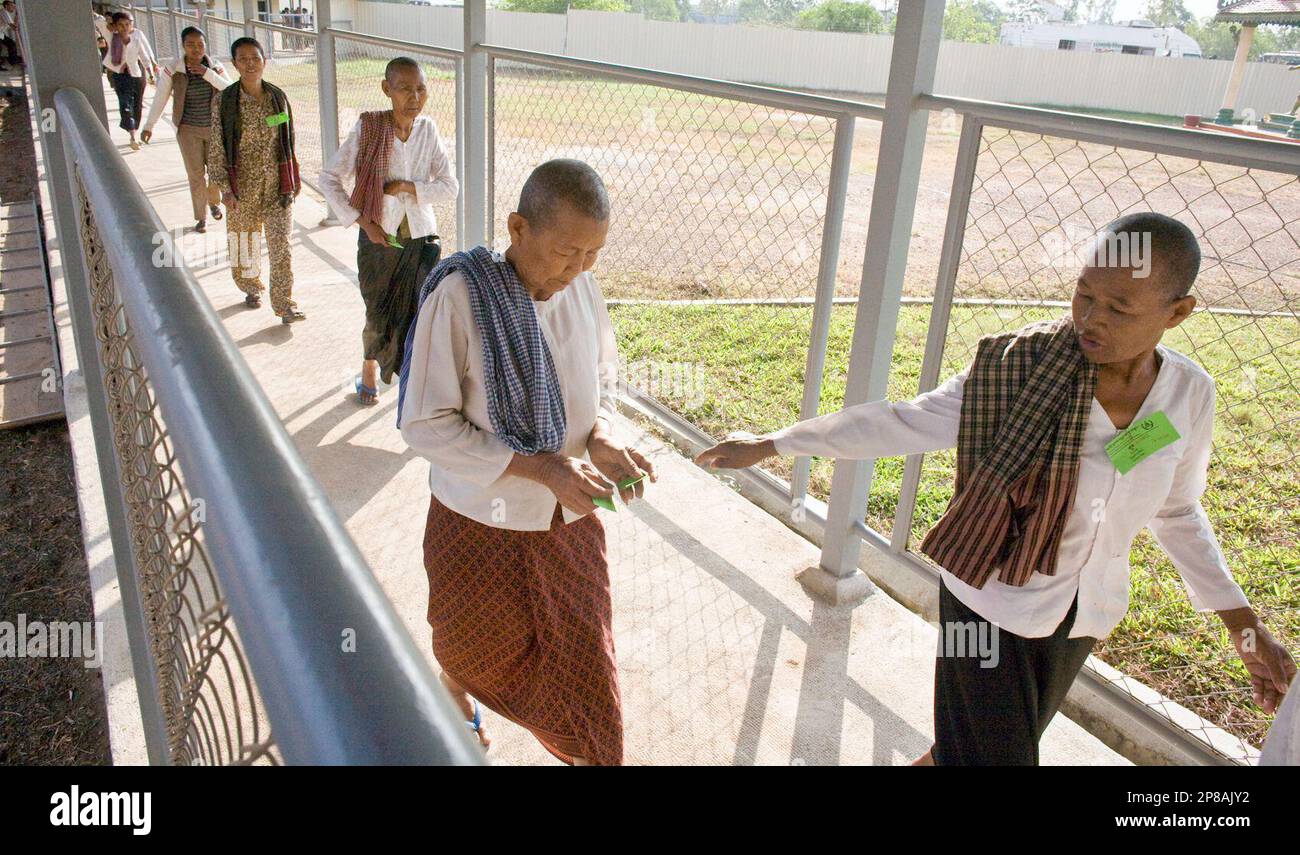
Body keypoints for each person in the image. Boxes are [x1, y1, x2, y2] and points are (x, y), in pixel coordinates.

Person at [696, 212, 1296, 766]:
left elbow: (1177, 511)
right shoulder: (1017, 368)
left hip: (1081, 614)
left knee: (975, 747)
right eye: (1084, 293)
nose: (1091, 318)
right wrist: (777, 443)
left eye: (1120, 307)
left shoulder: (1187, 395)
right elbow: (902, 420)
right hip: (982, 603)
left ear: (1177, 312)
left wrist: (1244, 628)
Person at [399, 159, 655, 765]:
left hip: (568, 521)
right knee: (467, 646)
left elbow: (602, 378)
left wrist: (601, 438)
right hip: (477, 521)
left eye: (593, 254)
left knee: (590, 697)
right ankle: (456, 694)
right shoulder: (460, 297)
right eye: (568, 252)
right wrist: (539, 467)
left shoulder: (582, 289)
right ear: (517, 228)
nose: (579, 270)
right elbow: (424, 425)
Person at [318, 57, 458, 406]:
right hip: (379, 239)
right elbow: (328, 178)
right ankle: (369, 367)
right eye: (405, 88)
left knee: (419, 311)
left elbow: (450, 187)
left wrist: (407, 187)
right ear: (387, 89)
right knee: (378, 309)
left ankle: (412, 379)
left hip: (421, 239)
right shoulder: (368, 130)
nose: (415, 96)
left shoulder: (428, 131)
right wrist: (365, 222)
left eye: (421, 88)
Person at [209, 36, 305, 324]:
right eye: (243, 59)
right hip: (242, 188)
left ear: (265, 60)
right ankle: (250, 287)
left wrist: (292, 178)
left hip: (277, 188)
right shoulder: (225, 102)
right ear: (235, 64)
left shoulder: (278, 98)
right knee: (244, 244)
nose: (250, 64)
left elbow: (287, 139)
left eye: (255, 57)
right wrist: (224, 188)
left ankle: (284, 304)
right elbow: (216, 146)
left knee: (281, 247)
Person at [141, 26, 233, 234]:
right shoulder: (174, 69)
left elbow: (230, 89)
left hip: (215, 130)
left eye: (200, 44)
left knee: (217, 173)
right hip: (188, 130)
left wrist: (207, 73)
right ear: (183, 46)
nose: (196, 49)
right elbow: (161, 97)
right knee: (196, 175)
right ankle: (200, 217)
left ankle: (213, 202)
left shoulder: (214, 66)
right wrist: (149, 125)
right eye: (190, 44)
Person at [102, 11, 157, 151]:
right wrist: (107, 23)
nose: (124, 27)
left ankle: (134, 128)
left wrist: (150, 72)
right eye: (120, 25)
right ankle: (132, 136)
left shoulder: (137, 35)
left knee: (136, 106)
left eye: (127, 24)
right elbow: (98, 22)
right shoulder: (111, 35)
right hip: (120, 75)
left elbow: (143, 54)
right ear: (115, 26)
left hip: (136, 75)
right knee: (125, 104)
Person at [0, 1, 22, 71]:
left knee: (11, 43)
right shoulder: (4, 12)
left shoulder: (6, 13)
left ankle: (13, 60)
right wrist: (17, 17)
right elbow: (13, 26)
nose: (14, 8)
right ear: (6, 6)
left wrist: (16, 17)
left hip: (0, 34)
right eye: (12, 6)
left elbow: (12, 26)